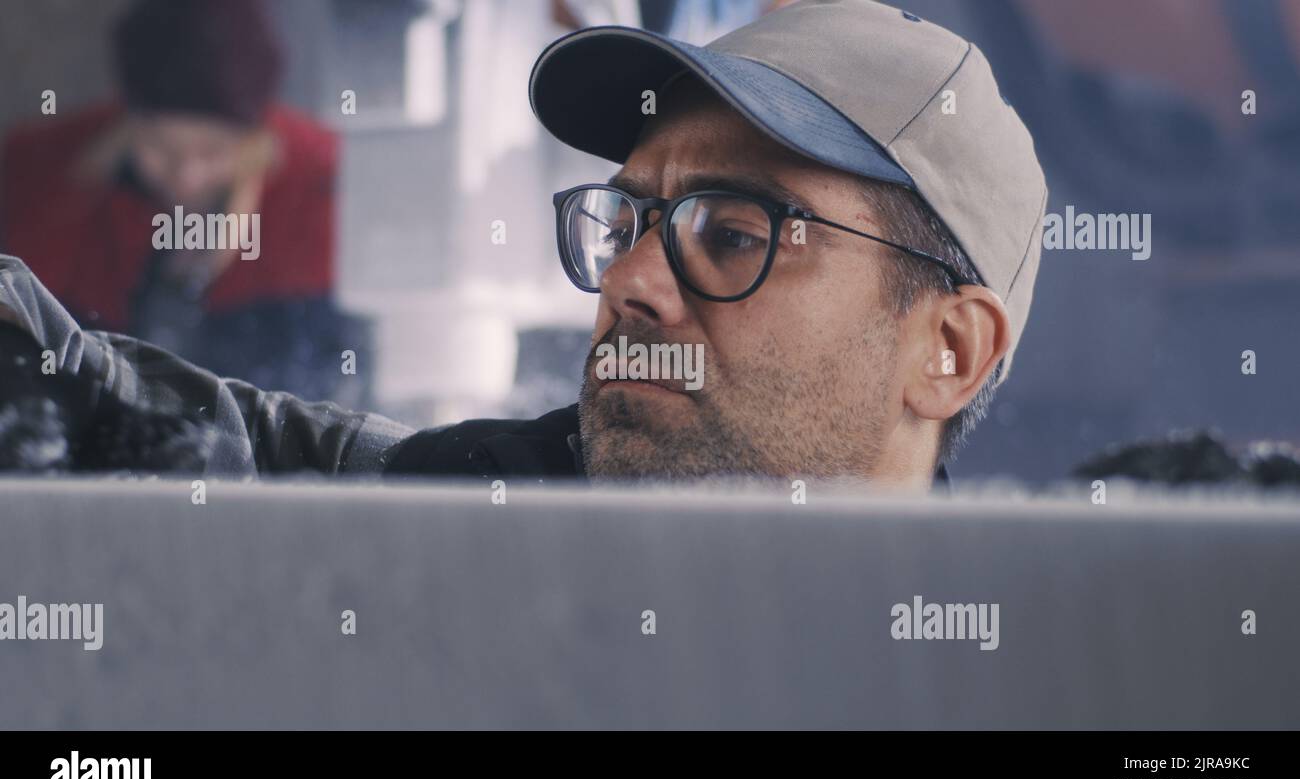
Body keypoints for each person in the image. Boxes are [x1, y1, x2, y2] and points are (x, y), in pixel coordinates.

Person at [0, 0, 1047, 488]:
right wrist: (57, 365)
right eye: (626, 220)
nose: (629, 281)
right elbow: (278, 449)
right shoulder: (499, 498)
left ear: (947, 348)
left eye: (731, 235)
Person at [0, 0, 353, 400]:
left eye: (214, 151)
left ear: (255, 136)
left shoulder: (326, 187)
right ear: (127, 123)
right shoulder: (47, 171)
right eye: (160, 148)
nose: (188, 174)